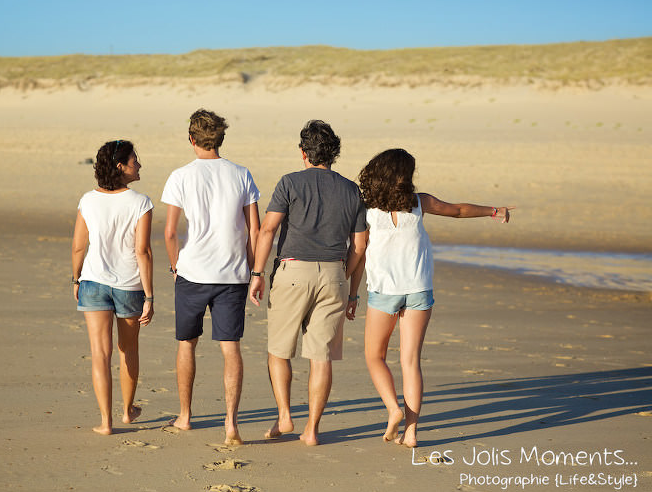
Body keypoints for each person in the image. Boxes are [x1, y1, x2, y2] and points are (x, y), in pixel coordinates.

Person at [352, 148, 512, 448]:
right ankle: (411, 432)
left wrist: (351, 292)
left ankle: (393, 409)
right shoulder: (418, 202)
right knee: (410, 361)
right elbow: (458, 210)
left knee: (375, 356)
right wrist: (494, 211)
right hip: (418, 289)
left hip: (384, 291)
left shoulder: (367, 209)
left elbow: (359, 252)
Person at [249, 120, 367, 446]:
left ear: (304, 152)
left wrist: (257, 274)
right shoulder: (351, 190)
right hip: (334, 274)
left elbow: (268, 230)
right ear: (334, 153)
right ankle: (312, 429)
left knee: (279, 350)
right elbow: (360, 246)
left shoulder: (290, 182)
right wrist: (347, 283)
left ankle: (284, 415)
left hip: (292, 272)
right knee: (321, 356)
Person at [162, 109, 260, 446]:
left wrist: (175, 266)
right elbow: (254, 230)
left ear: (191, 139)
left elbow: (170, 232)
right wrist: (254, 271)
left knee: (187, 343)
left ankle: (185, 415)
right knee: (230, 348)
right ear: (220, 138)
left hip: (192, 272)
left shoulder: (180, 176)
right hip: (233, 274)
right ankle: (231, 422)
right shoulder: (241, 174)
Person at [71, 140, 154, 435]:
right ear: (120, 166)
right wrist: (149, 296)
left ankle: (106, 422)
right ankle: (127, 411)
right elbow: (142, 251)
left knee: (100, 354)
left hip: (93, 282)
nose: (139, 164)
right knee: (128, 350)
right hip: (129, 285)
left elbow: (78, 246)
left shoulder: (88, 200)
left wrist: (75, 278)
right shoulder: (140, 202)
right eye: (134, 160)